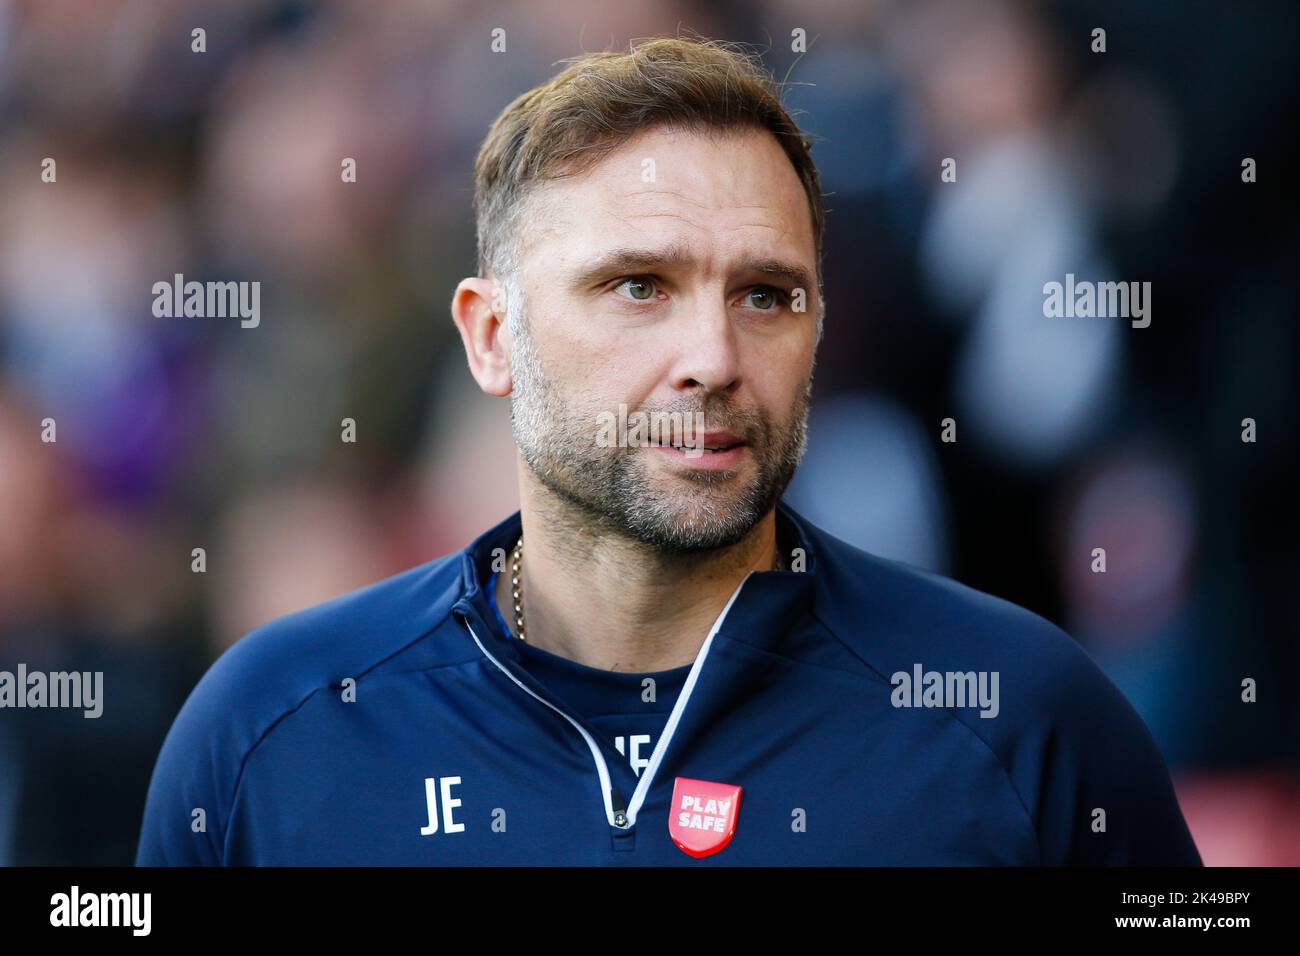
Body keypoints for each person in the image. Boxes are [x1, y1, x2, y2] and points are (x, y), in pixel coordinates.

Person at [136, 37, 1201, 865]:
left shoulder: (1021, 719)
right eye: (637, 285)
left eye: (767, 295)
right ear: (491, 336)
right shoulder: (271, 729)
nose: (713, 355)